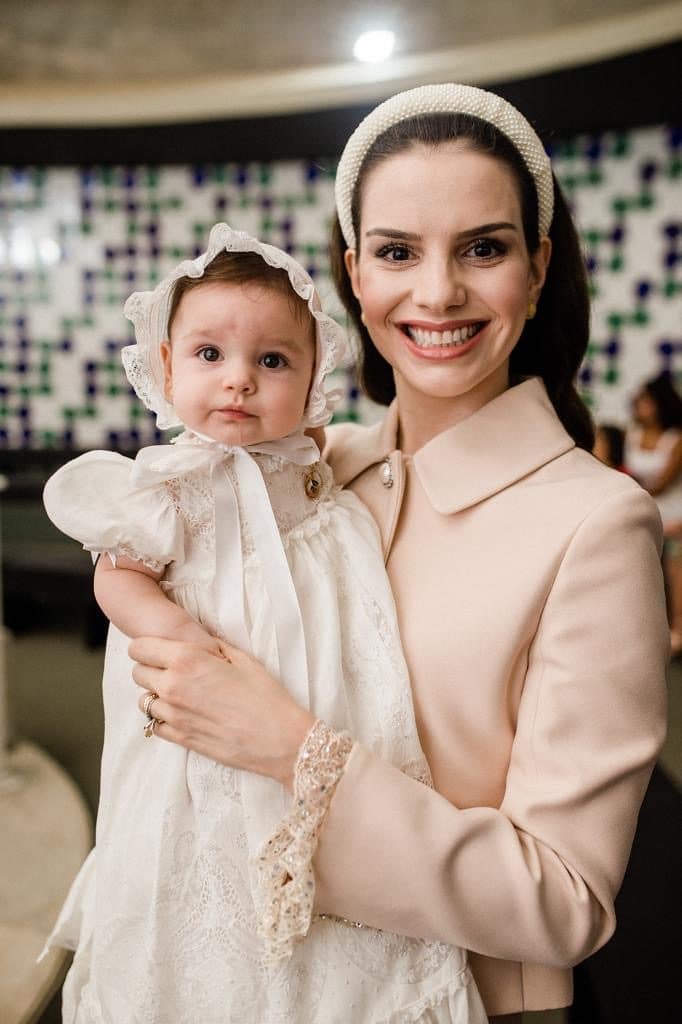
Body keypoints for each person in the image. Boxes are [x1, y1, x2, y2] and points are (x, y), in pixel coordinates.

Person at [126, 85, 669, 1024]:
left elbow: (565, 900)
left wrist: (292, 751)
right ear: (353, 277)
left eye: (484, 249)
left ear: (537, 271)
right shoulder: (306, 478)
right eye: (396, 252)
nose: (437, 292)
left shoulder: (597, 523)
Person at [41, 224, 487, 1023]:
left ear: (314, 379)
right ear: (170, 366)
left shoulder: (308, 454)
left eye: (272, 361)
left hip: (321, 684)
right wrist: (173, 636)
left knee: (343, 793)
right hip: (209, 692)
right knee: (204, 836)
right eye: (211, 356)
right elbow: (119, 575)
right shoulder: (172, 482)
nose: (239, 382)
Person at [625, 371, 682, 655]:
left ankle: (678, 627)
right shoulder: (632, 435)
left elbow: (664, 482)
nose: (640, 406)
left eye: (646, 400)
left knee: (673, 555)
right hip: (642, 506)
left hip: (673, 512)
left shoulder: (676, 439)